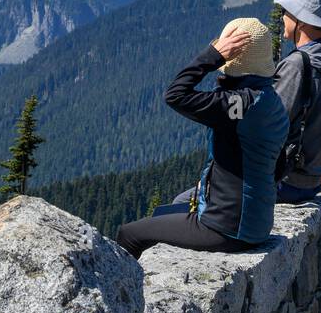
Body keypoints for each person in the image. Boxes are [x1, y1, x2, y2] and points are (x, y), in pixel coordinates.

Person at [116, 17, 288, 257]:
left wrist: (212, 55)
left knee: (129, 233)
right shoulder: (270, 100)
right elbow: (278, 166)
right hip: (255, 224)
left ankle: (125, 294)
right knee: (162, 215)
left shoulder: (239, 102)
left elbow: (175, 95)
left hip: (226, 227)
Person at [271, 0, 321, 203]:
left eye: (287, 13)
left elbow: (270, 122)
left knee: (189, 199)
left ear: (300, 22)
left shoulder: (298, 65)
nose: (283, 17)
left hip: (284, 180)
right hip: (311, 181)